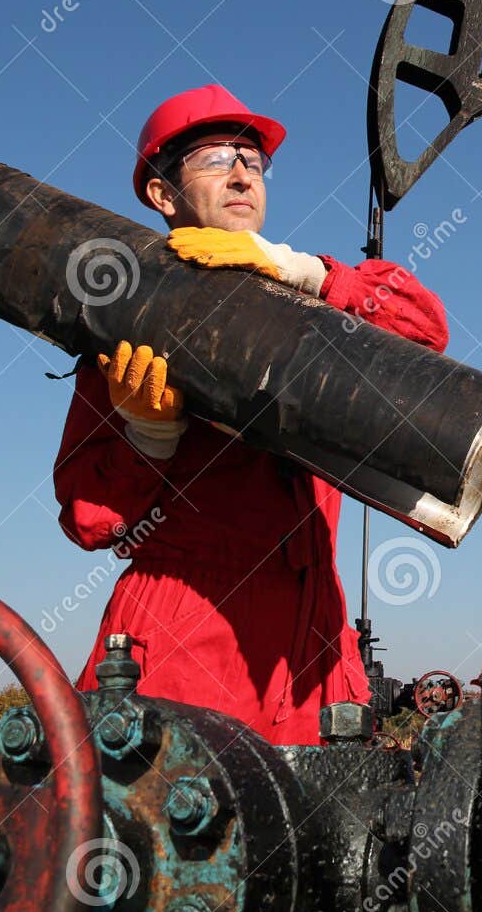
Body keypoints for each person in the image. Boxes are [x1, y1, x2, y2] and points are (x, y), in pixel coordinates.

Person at [54, 84, 447, 744]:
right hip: (186, 637)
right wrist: (148, 435)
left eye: (253, 162)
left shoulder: (312, 302)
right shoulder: (128, 323)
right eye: (215, 159)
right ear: (161, 194)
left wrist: (302, 271)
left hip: (312, 648)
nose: (242, 174)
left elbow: (426, 336)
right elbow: (90, 520)